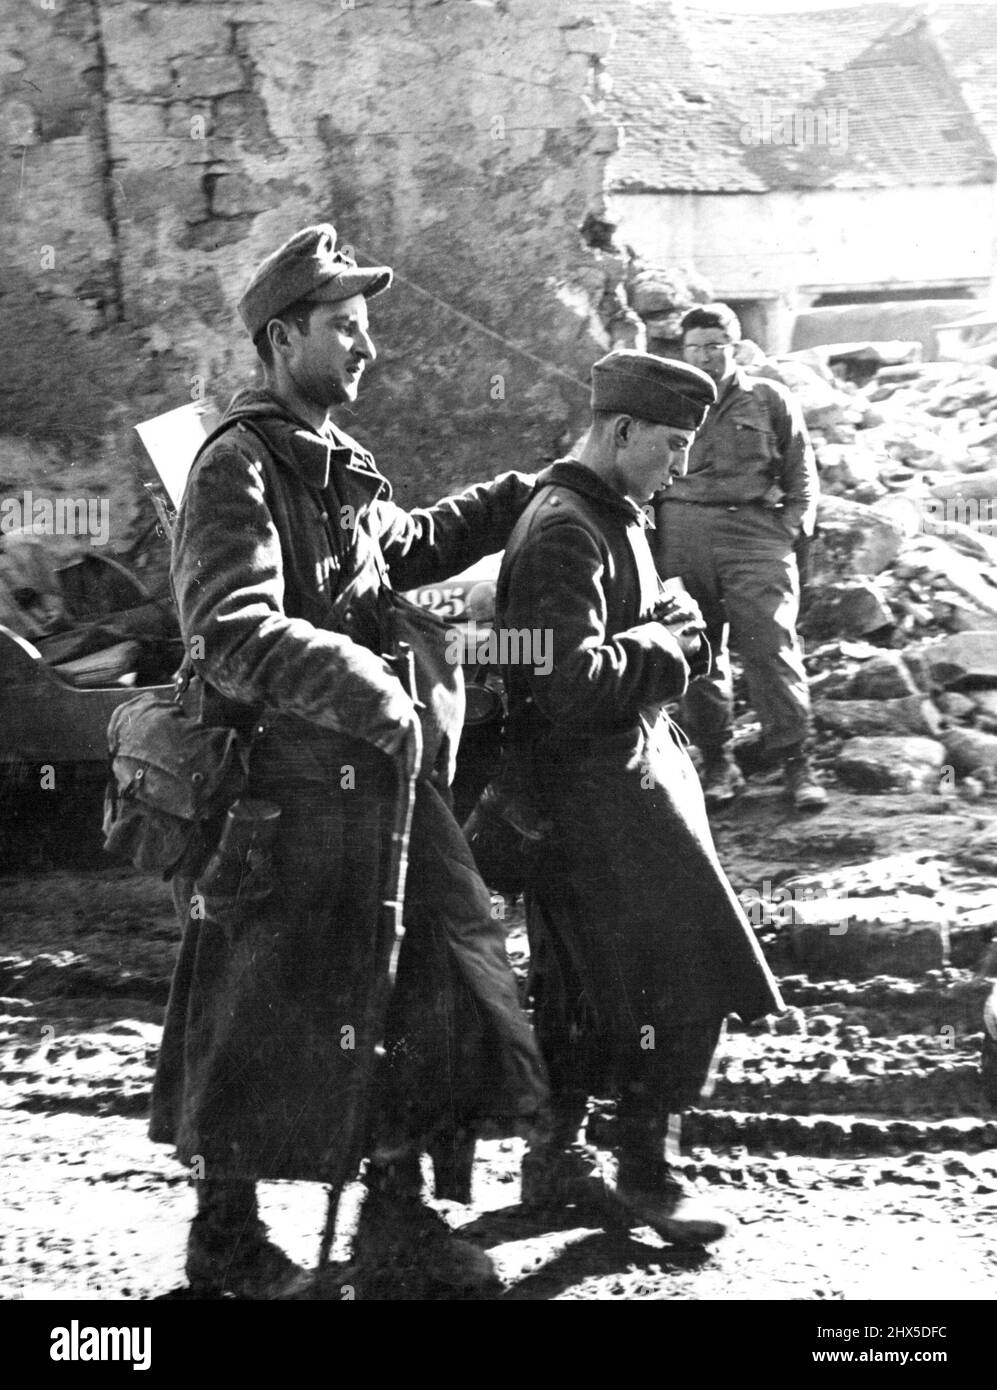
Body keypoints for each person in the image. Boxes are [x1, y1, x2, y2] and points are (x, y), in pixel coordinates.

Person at [149, 222, 549, 1299]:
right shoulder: (237, 464)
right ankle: (226, 1240)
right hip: (282, 799)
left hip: (370, 788)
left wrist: (517, 495)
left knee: (420, 986)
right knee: (257, 1013)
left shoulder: (334, 465)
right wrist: (365, 683)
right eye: (345, 329)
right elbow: (228, 627)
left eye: (367, 328)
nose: (367, 347)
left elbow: (392, 558)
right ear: (283, 340)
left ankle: (396, 1217)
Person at [495, 349, 785, 1245]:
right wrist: (669, 642)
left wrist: (665, 631)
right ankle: (644, 1175)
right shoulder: (565, 529)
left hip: (620, 786)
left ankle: (557, 1164)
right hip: (597, 802)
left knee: (582, 990)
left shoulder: (604, 511)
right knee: (692, 979)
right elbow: (567, 685)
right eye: (669, 444)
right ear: (620, 432)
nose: (680, 466)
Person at [652, 302, 827, 811]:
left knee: (769, 644)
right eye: (694, 348)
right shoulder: (666, 400)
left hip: (754, 532)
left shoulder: (769, 397)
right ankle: (717, 761)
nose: (704, 357)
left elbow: (802, 473)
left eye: (714, 346)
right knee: (696, 647)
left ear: (735, 346)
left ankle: (797, 764)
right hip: (682, 532)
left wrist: (792, 526)